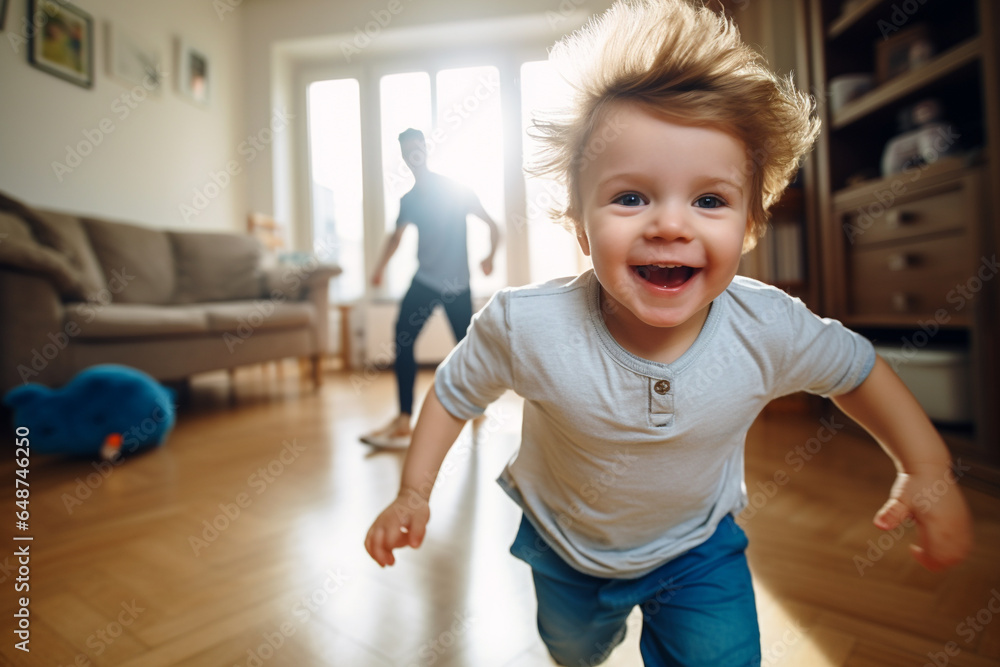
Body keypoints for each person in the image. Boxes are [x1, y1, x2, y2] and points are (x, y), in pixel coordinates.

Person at [364, 1, 974, 664]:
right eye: (631, 197)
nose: (670, 225)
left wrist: (927, 466)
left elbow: (858, 370)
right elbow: (455, 392)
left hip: (698, 548)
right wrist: (414, 491)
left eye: (709, 200)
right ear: (578, 222)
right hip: (565, 546)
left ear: (748, 225)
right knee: (575, 648)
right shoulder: (526, 325)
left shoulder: (769, 327)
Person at [361, 128, 501, 448]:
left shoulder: (456, 190)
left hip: (456, 285)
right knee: (403, 337)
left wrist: (490, 256)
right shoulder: (409, 200)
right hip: (424, 281)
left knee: (467, 348)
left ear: (425, 149)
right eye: (407, 152)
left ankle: (476, 407)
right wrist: (380, 268)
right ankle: (403, 420)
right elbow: (396, 238)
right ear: (404, 157)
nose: (413, 156)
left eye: (417, 149)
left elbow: (493, 225)